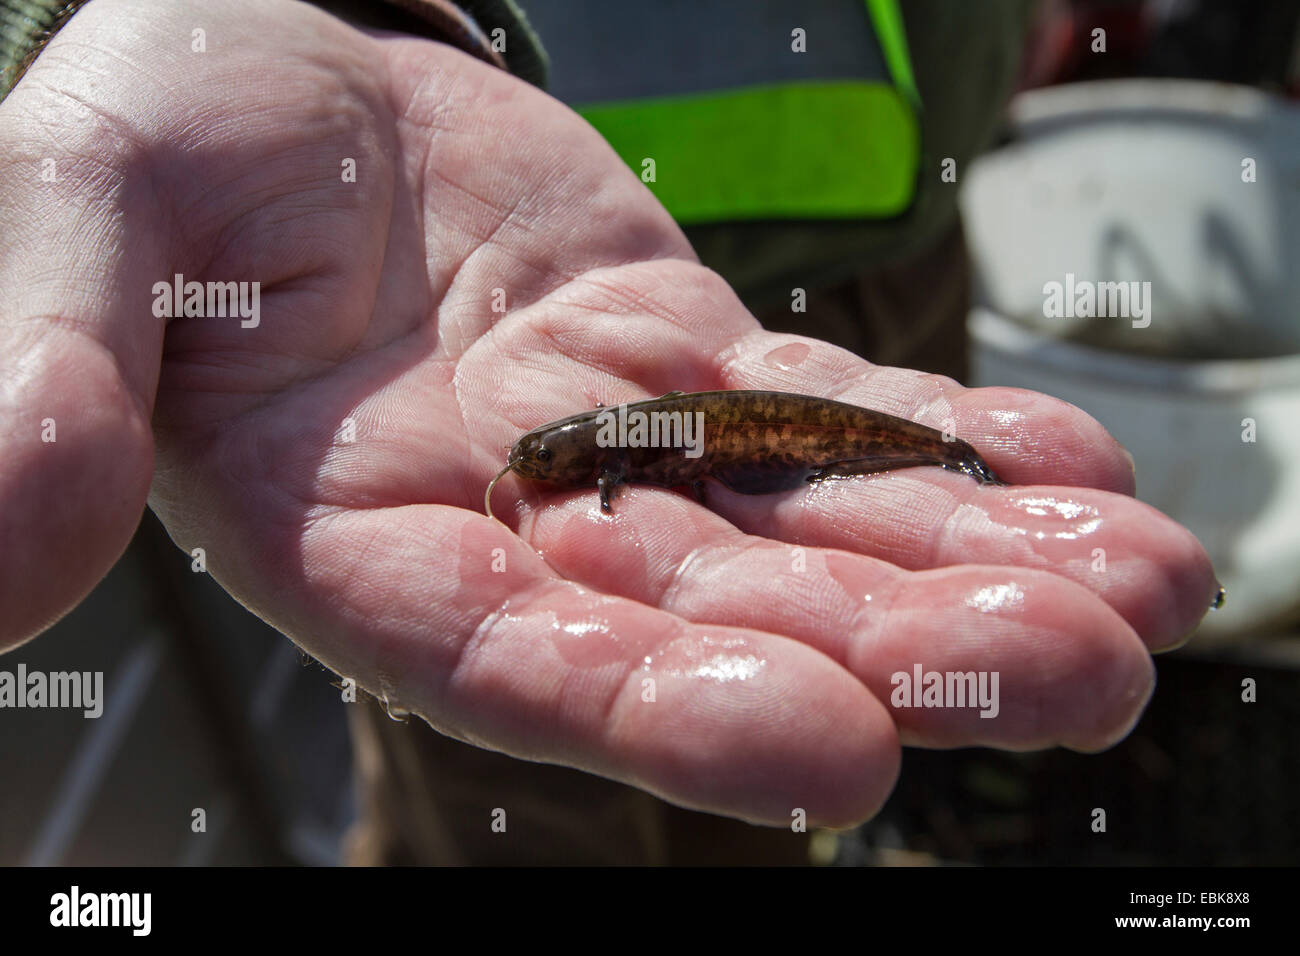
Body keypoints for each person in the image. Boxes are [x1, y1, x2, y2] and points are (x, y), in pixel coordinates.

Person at [0, 0, 1219, 864]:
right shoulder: (580, 446)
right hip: (457, 256)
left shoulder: (611, 449)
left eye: (551, 463)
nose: (540, 469)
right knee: (528, 801)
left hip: (896, 235)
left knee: (764, 774)